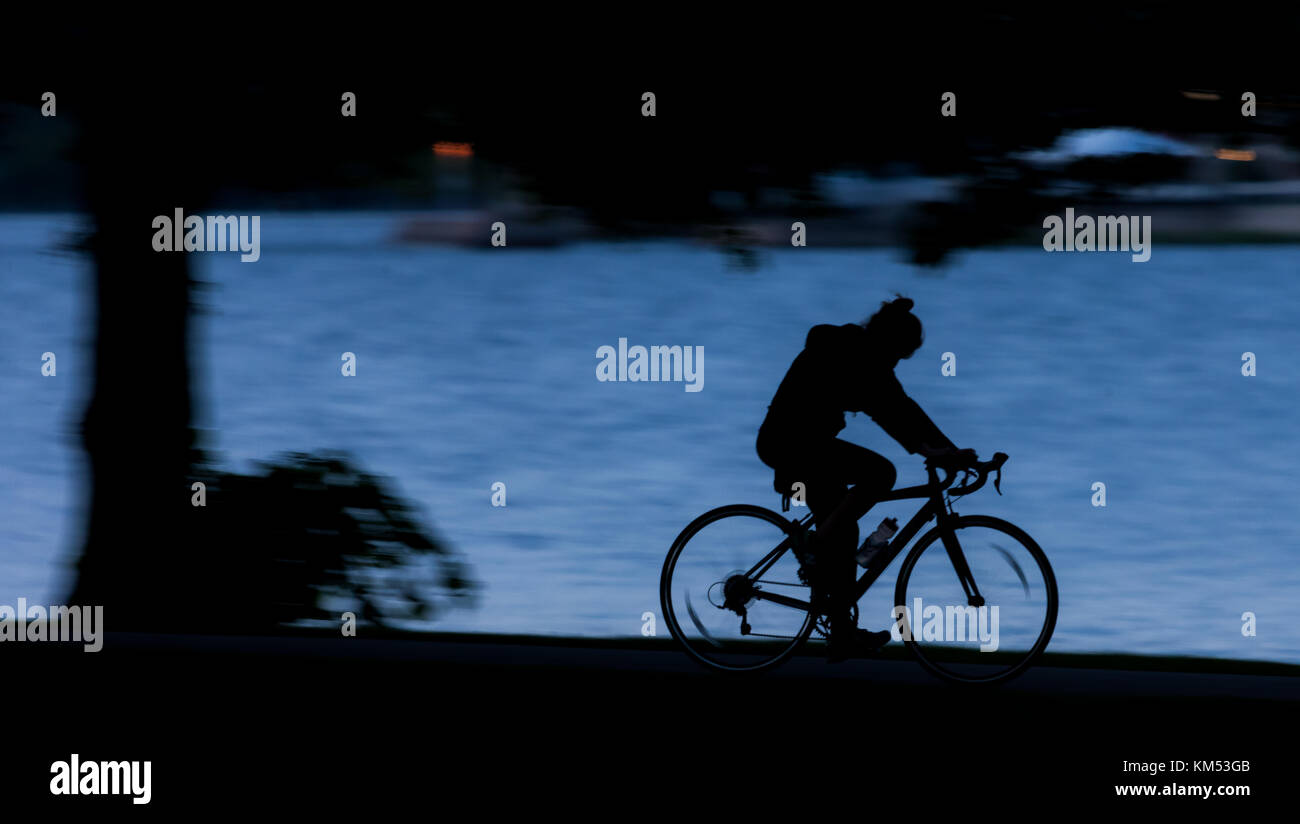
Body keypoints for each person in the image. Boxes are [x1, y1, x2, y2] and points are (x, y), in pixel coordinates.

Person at [755, 296, 974, 661]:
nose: (895, 364)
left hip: (807, 445)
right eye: (898, 355)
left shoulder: (868, 355)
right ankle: (813, 544)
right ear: (887, 341)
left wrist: (948, 451)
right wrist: (937, 451)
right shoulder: (853, 354)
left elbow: (902, 407)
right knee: (880, 473)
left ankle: (841, 633)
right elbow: (889, 409)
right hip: (789, 443)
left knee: (846, 532)